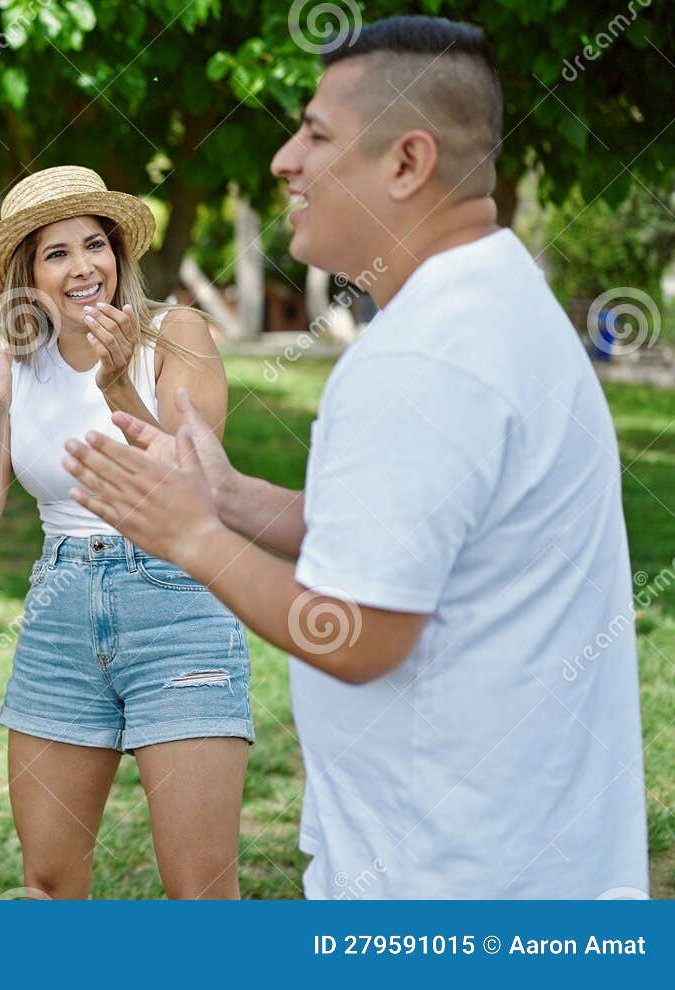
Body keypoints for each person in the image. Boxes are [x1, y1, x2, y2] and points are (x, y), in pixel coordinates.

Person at [63, 16, 648, 898]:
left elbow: (362, 636)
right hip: (534, 866)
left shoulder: (422, 356)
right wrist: (227, 496)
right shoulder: (497, 298)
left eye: (317, 134)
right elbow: (421, 543)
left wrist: (189, 539)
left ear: (407, 163)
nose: (283, 161)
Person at [0, 165, 253, 899]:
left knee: (200, 891)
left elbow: (201, 485)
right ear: (30, 275)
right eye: (57, 253)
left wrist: (119, 380)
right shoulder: (19, 367)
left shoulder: (174, 333)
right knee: (49, 883)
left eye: (96, 245)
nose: (84, 266)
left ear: (120, 254)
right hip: (61, 612)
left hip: (176, 602)